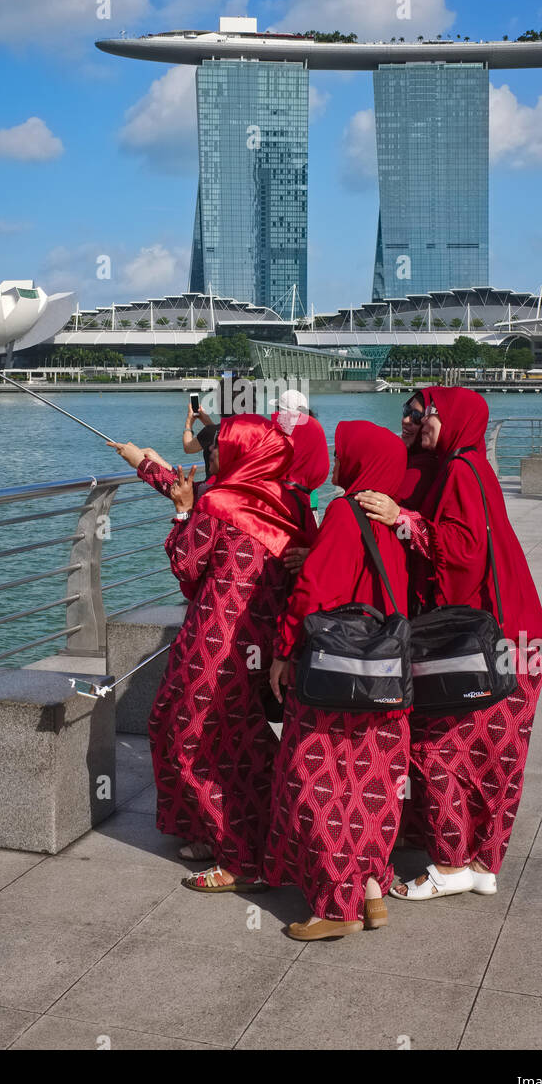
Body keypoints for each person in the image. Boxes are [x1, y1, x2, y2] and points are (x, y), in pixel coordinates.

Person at [358, 386, 542, 901]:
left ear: (456, 418)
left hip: (487, 639)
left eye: (430, 414)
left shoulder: (461, 471)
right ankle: (485, 863)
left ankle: (449, 865)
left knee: (436, 749)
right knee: (495, 760)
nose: (423, 422)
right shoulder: (471, 465)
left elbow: (462, 552)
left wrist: (402, 519)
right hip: (518, 636)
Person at [144, 415, 316, 886]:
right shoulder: (293, 501)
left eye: (217, 444)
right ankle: (237, 835)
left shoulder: (218, 501)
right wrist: (151, 468)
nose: (209, 452)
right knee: (241, 739)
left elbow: (186, 568)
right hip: (267, 640)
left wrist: (182, 513)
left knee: (184, 736)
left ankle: (239, 857)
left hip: (213, 640)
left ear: (243, 450)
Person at [261, 422, 412, 940]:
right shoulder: (387, 515)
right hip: (383, 677)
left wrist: (283, 651)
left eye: (343, 452)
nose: (337, 460)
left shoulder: (348, 511)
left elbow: (313, 591)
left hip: (337, 672)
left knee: (318, 782)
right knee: (370, 784)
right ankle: (371, 892)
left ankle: (335, 907)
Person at [269, 388, 330, 515]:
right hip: (309, 501)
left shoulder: (280, 433)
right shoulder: (315, 430)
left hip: (283, 501)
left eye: (277, 408)